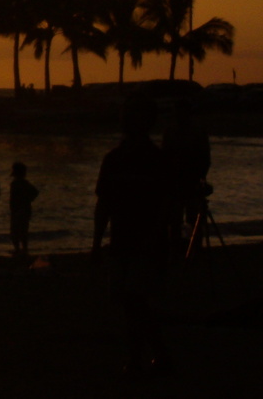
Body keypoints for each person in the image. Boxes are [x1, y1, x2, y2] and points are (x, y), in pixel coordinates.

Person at [92, 95, 173, 377]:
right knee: (130, 302)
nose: (123, 120)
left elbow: (165, 205)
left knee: (134, 300)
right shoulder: (114, 159)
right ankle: (145, 357)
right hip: (122, 241)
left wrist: (157, 238)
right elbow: (104, 204)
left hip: (146, 242)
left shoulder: (155, 159)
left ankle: (144, 357)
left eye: (129, 114)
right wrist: (96, 241)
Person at [161, 98, 211, 253]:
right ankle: (178, 250)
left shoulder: (196, 131)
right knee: (175, 220)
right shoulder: (171, 131)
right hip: (176, 182)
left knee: (193, 219)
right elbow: (165, 157)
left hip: (191, 181)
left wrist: (200, 177)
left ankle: (193, 250)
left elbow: (205, 158)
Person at [9, 162, 39, 258]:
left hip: (18, 209)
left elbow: (13, 198)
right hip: (25, 209)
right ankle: (24, 249)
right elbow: (35, 192)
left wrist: (14, 207)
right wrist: (29, 199)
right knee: (23, 230)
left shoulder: (16, 183)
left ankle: (18, 249)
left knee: (15, 231)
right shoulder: (25, 183)